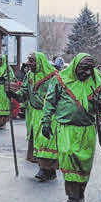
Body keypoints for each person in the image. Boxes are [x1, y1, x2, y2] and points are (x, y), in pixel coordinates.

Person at [40, 53, 101, 202]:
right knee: (68, 156)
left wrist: (100, 105)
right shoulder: (60, 79)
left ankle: (80, 193)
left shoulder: (97, 80)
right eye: (83, 69)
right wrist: (46, 122)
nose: (87, 73)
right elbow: (50, 101)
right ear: (75, 67)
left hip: (87, 128)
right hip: (66, 128)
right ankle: (72, 197)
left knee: (84, 163)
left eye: (90, 69)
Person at [18, 52, 59, 182]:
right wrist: (15, 95)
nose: (28, 64)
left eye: (32, 61)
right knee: (37, 140)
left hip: (49, 113)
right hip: (35, 113)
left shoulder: (53, 76)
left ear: (40, 62)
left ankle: (44, 169)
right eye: (28, 60)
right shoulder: (29, 75)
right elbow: (24, 91)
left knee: (46, 141)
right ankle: (49, 170)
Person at [0, 53, 14, 128]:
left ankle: (4, 122)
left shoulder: (8, 68)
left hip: (5, 90)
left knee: (5, 106)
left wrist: (5, 79)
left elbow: (12, 78)